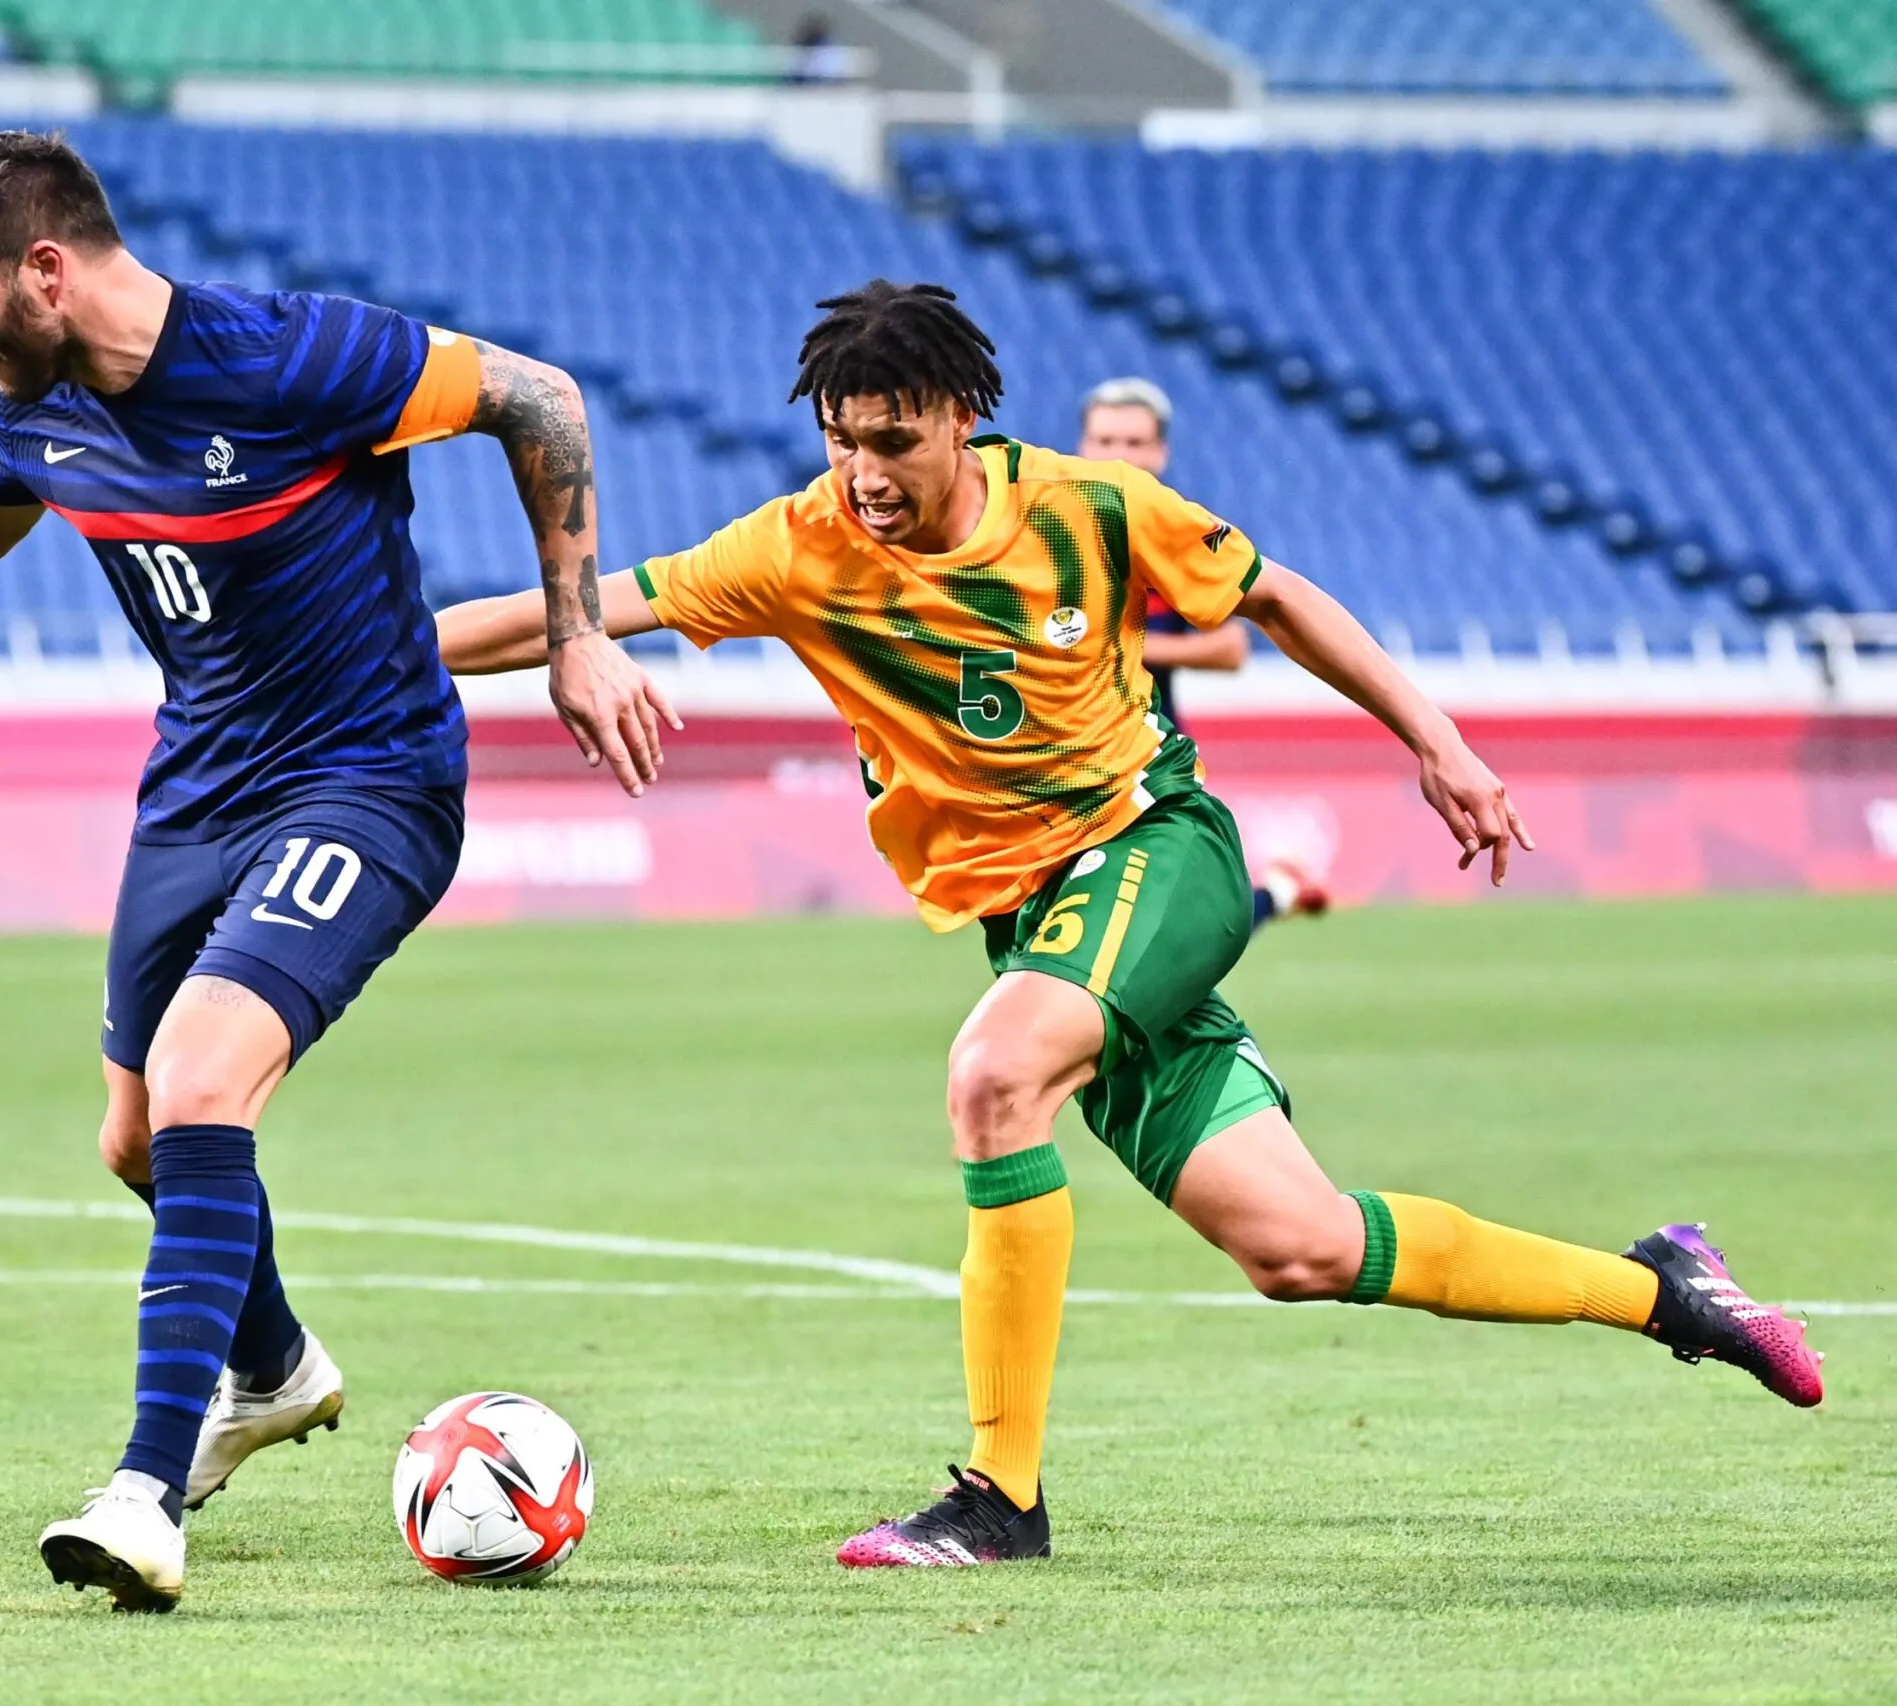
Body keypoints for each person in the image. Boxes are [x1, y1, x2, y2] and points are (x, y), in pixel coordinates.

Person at [435, 279, 1822, 1569]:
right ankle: (1668, 1290)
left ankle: (1001, 1495)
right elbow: (581, 610)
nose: (865, 472)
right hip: (1042, 921)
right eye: (846, 438)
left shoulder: (1092, 509)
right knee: (1303, 1247)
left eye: (895, 440)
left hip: (1155, 848)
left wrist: (1439, 743)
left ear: (962, 422)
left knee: (995, 1071)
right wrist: (404, 646)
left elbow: (1272, 595)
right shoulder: (796, 551)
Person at [0, 132, 667, 1613]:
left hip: (368, 777)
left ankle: (145, 1494)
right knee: (137, 1141)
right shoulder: (37, 409)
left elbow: (540, 398)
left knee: (207, 1079)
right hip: (196, 791)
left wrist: (579, 627)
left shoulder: (290, 355)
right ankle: (273, 1368)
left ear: (48, 269)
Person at [1076, 376, 1324, 925]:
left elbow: (1232, 648)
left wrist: (1123, 644)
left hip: (1150, 758)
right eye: (1106, 441)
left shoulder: (1179, 539)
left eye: (1135, 443)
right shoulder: (1045, 538)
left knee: (1173, 921)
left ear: (1161, 452)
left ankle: (1269, 898)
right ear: (1082, 449)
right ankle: (1277, 895)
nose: (1120, 456)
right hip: (1061, 756)